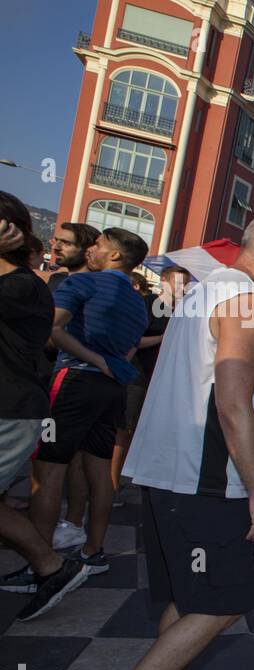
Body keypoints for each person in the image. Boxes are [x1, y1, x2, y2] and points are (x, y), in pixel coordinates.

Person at [45, 213, 254, 670]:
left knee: (183, 594)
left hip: (165, 472)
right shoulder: (248, 303)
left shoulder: (203, 290)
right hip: (205, 479)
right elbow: (234, 400)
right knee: (223, 602)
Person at [17, 229, 149, 593]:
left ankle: (41, 566)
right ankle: (94, 551)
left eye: (99, 245)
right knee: (99, 469)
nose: (92, 249)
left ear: (116, 256)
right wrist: (108, 365)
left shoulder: (83, 284)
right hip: (111, 391)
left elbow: (53, 329)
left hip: (74, 380)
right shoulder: (138, 302)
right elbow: (130, 349)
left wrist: (90, 358)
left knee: (47, 469)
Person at [0, 196, 89, 620]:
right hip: (19, 403)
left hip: (13, 406)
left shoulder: (22, 285)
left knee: (52, 473)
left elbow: (58, 335)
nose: (58, 245)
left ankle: (53, 565)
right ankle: (50, 566)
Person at [44, 222, 101, 553]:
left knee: (56, 461)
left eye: (66, 243)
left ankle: (53, 537)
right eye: (56, 240)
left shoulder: (89, 286)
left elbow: (51, 331)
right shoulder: (57, 279)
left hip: (68, 376)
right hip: (56, 375)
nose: (57, 246)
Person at [112, 266, 186, 491]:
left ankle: (126, 477)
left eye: (186, 283)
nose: (183, 288)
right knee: (122, 431)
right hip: (136, 376)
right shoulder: (147, 305)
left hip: (159, 380)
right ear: (164, 281)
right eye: (179, 282)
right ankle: (111, 485)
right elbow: (133, 341)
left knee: (139, 431)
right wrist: (164, 337)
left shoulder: (181, 312)